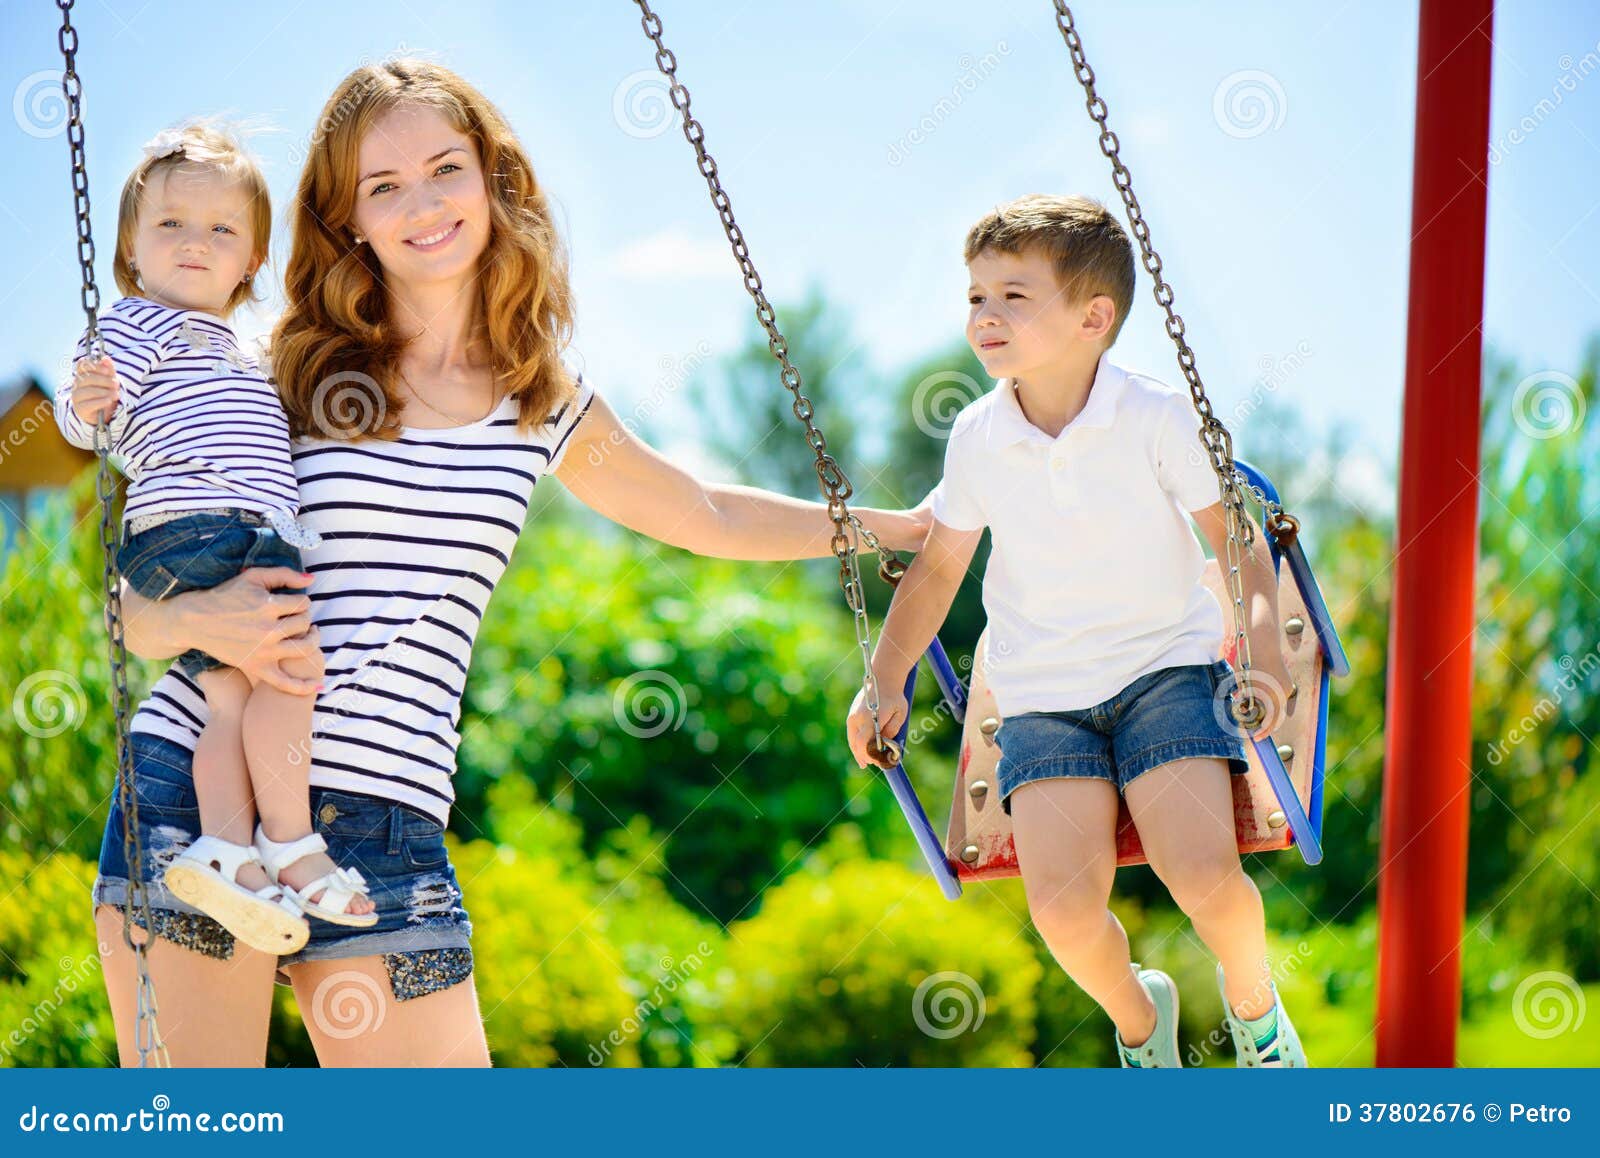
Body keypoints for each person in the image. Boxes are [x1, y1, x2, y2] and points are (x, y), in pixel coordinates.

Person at [93, 59, 930, 1067]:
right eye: (382, 186)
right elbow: (137, 601)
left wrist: (883, 526)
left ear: (492, 181)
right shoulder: (279, 364)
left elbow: (703, 509)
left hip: (384, 818)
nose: (423, 204)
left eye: (445, 169)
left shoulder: (541, 398)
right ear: (347, 218)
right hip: (199, 786)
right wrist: (190, 621)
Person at [846, 194, 1307, 1067]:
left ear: (1094, 317)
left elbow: (1235, 543)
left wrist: (1264, 650)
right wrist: (887, 678)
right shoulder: (977, 436)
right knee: (1061, 912)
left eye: (1013, 296)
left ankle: (1257, 1018)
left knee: (1205, 877)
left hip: (1163, 672)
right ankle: (1143, 1028)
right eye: (976, 296)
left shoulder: (1154, 415)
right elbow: (941, 568)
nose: (985, 315)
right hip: (1041, 698)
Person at [57, 121, 377, 960]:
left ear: (251, 261)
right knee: (293, 674)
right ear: (131, 247)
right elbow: (83, 409)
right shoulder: (137, 322)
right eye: (170, 224)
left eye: (221, 230)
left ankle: (228, 854)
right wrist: (84, 402)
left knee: (231, 699)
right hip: (206, 530)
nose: (194, 243)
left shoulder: (248, 344)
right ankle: (295, 845)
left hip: (206, 541)